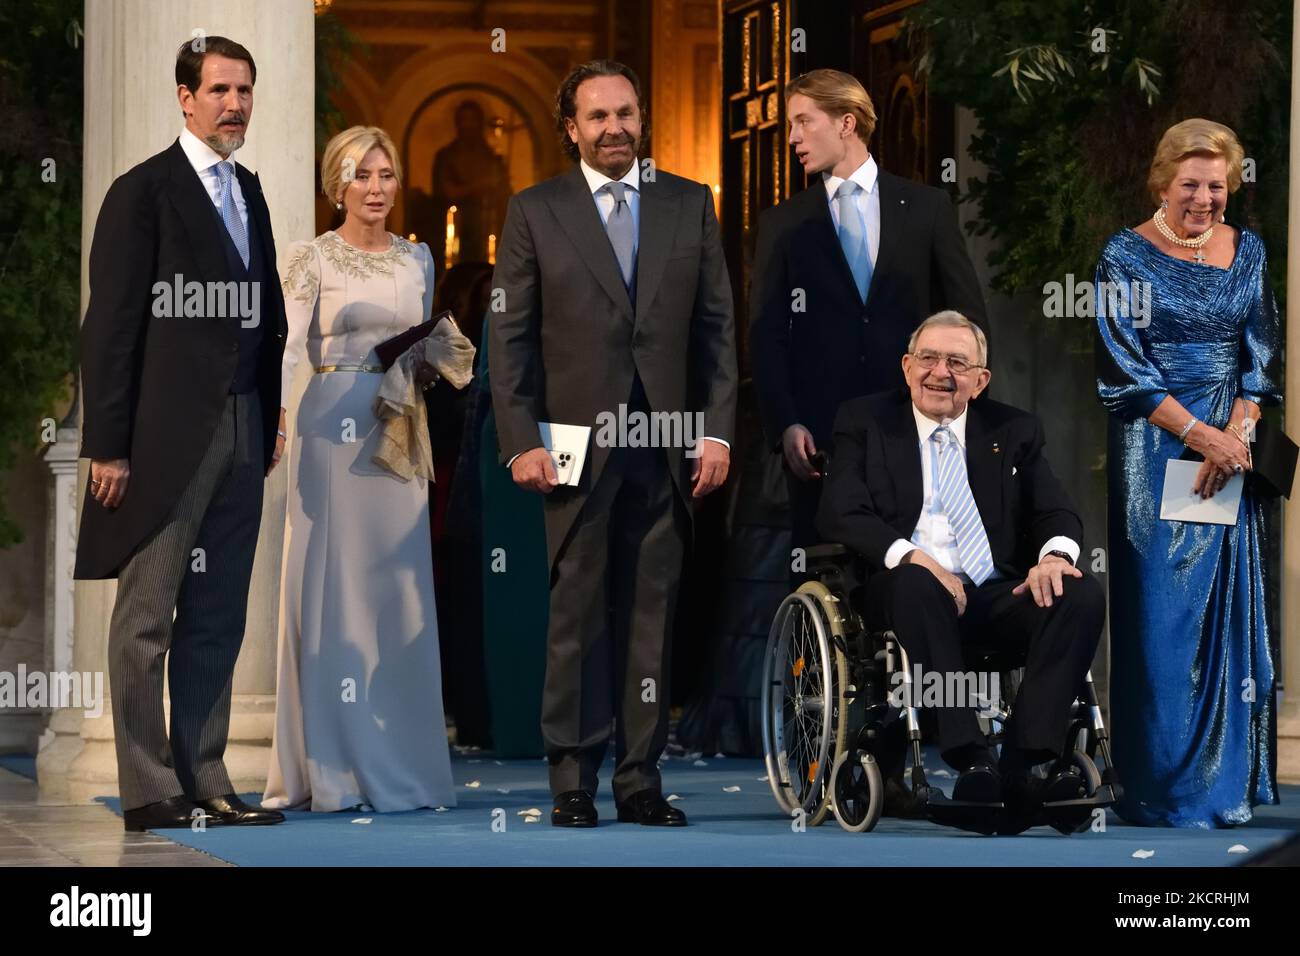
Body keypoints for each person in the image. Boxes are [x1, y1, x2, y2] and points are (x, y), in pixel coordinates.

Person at [489, 59, 738, 828]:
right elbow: (510, 338)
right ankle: (571, 777)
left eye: (625, 113)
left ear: (642, 119)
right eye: (597, 117)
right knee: (577, 614)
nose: (614, 128)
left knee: (649, 616)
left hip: (665, 444)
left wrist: (719, 430)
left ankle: (639, 778)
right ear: (571, 128)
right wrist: (520, 440)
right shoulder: (535, 210)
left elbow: (717, 333)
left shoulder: (689, 204)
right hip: (572, 445)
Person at [75, 37, 286, 831]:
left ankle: (208, 778)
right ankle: (148, 786)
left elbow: (265, 314)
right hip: (164, 439)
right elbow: (112, 327)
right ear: (184, 97)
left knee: (219, 615)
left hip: (243, 425)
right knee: (147, 617)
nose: (235, 103)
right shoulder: (144, 191)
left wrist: (269, 412)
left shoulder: (252, 191)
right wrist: (108, 442)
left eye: (245, 90)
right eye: (221, 89)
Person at [817, 311, 1105, 833]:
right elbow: (841, 510)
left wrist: (1054, 559)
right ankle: (971, 758)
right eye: (927, 358)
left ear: (981, 379)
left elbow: (1056, 511)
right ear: (906, 367)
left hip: (993, 590)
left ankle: (1026, 763)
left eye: (957, 362)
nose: (939, 372)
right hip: (903, 587)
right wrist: (916, 558)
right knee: (917, 585)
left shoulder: (1014, 430)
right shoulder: (865, 421)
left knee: (1079, 594)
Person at [263, 126, 458, 813]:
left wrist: (436, 360)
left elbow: (420, 338)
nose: (376, 188)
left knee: (395, 593)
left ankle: (402, 764)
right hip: (327, 427)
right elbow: (286, 348)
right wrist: (276, 420)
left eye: (385, 174)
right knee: (328, 589)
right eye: (361, 175)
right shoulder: (309, 257)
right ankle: (330, 768)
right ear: (336, 184)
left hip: (398, 427)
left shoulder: (419, 258)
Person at [1094, 118, 1280, 827]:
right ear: (1161, 183)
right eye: (1191, 184)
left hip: (1232, 445)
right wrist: (1201, 435)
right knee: (1164, 621)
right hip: (1159, 448)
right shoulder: (1122, 256)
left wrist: (1237, 433)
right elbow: (1123, 372)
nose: (1205, 197)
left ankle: (1225, 789)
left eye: (1217, 184)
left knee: (1226, 617)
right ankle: (1161, 789)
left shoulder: (1250, 250)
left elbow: (1261, 357)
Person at [750, 69, 987, 554]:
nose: (792, 137)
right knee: (826, 584)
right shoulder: (782, 223)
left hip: (915, 429)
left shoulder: (927, 207)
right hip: (820, 441)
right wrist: (785, 423)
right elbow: (766, 336)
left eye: (803, 121)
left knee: (917, 574)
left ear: (846, 122)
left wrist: (958, 409)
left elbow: (966, 318)